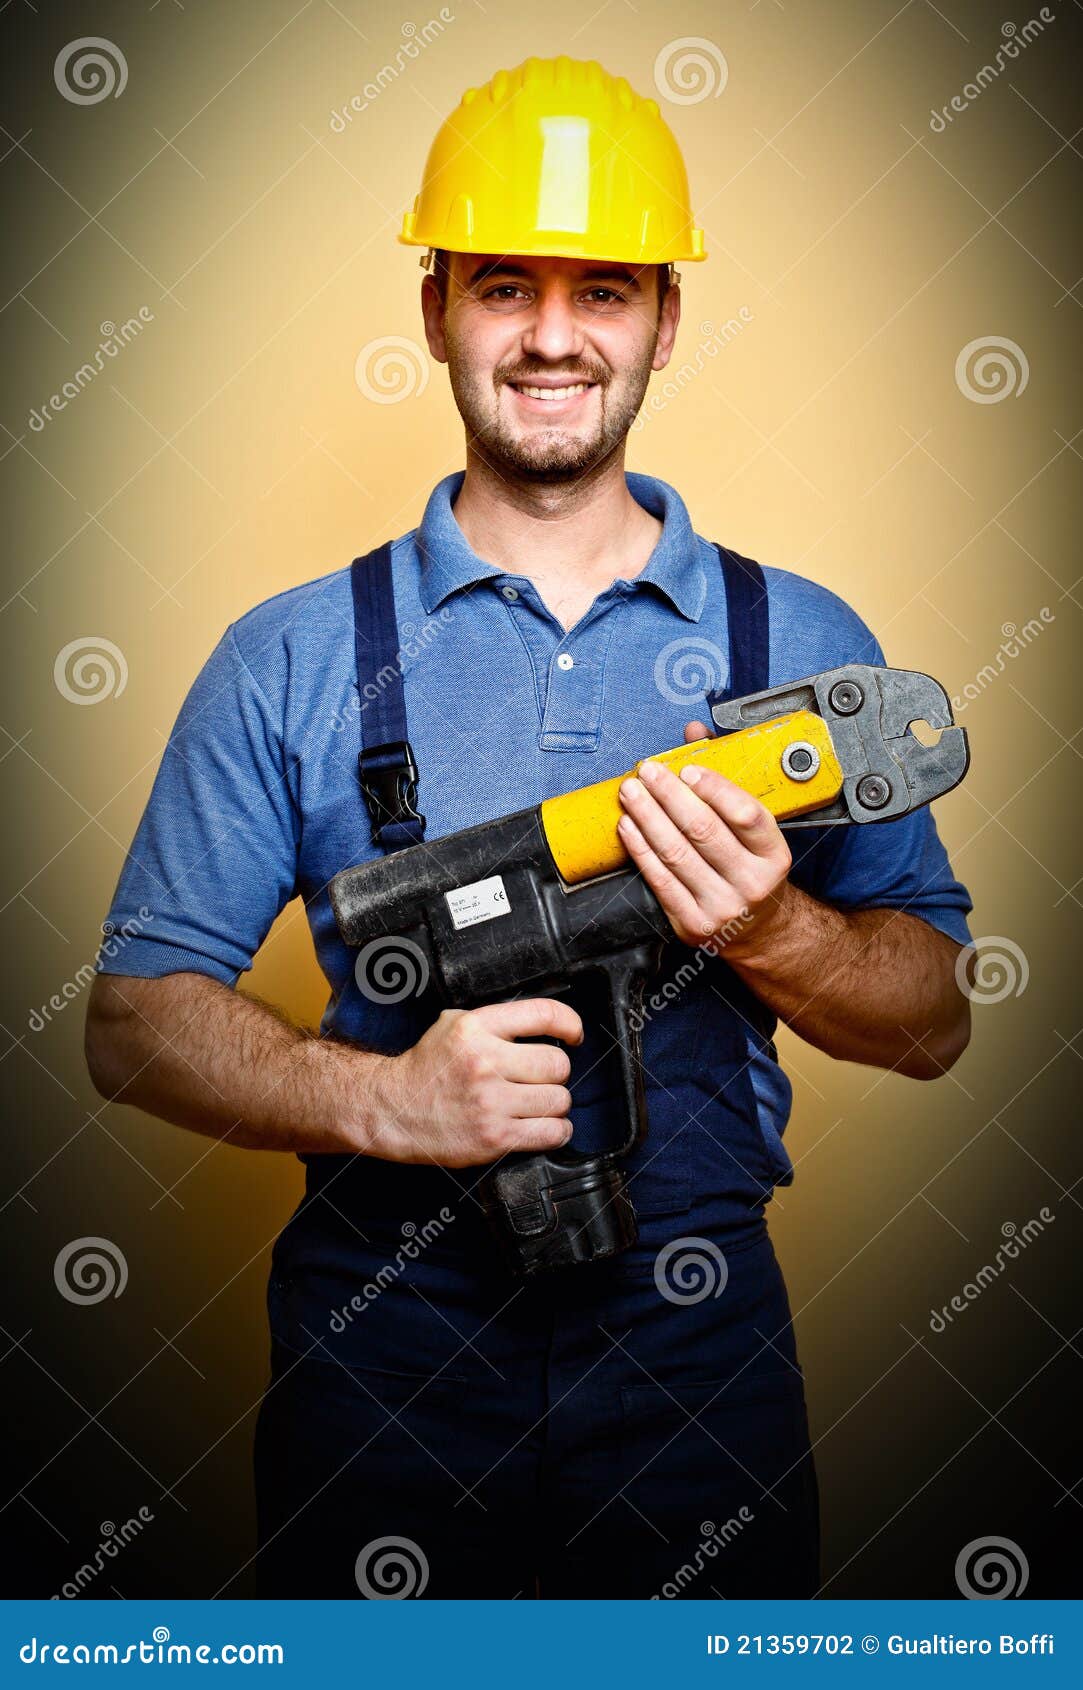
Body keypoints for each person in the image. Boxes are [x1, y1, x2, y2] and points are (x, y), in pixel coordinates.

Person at [86, 54, 973, 1600]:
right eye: (504, 286)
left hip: (699, 1361)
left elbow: (935, 1021)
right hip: (386, 1363)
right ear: (436, 310)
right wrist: (387, 1105)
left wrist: (773, 929)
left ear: (665, 322)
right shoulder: (294, 653)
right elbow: (128, 1023)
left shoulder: (801, 645)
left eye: (605, 291)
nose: (554, 335)